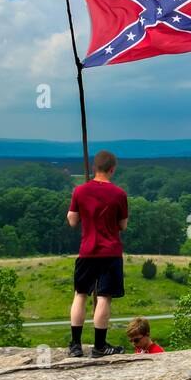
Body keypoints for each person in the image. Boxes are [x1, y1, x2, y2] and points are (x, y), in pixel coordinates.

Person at [66, 149, 128, 357]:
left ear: (94, 168)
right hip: (110, 252)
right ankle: (100, 347)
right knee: (104, 297)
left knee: (80, 295)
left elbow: (73, 221)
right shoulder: (119, 194)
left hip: (87, 251)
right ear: (112, 169)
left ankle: (75, 345)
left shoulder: (80, 191)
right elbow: (123, 225)